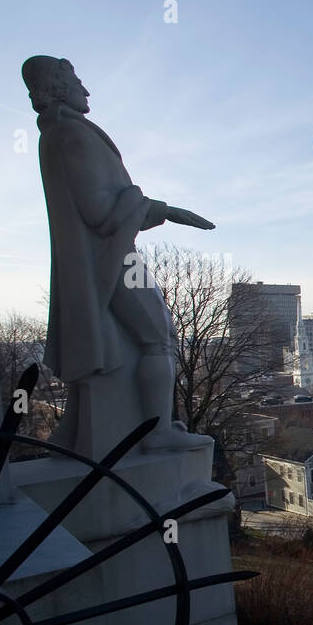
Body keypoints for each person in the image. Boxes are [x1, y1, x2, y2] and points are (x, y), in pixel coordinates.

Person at [22, 55, 214, 451]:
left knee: (141, 341)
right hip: (113, 260)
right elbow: (100, 212)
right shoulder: (71, 134)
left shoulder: (58, 134)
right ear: (58, 87)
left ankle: (80, 432)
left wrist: (150, 208)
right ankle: (156, 433)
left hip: (97, 258)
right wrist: (162, 208)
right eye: (77, 80)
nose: (86, 90)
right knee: (159, 339)